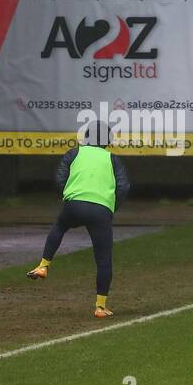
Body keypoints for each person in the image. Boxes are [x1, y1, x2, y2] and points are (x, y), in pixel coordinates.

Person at [27, 121, 131, 318]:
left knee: (60, 226)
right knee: (103, 259)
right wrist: (110, 208)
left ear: (86, 137)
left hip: (73, 205)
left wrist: (67, 197)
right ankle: (100, 307)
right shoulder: (112, 159)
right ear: (108, 140)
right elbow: (124, 186)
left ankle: (43, 265)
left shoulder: (74, 153)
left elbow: (59, 178)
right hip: (101, 210)